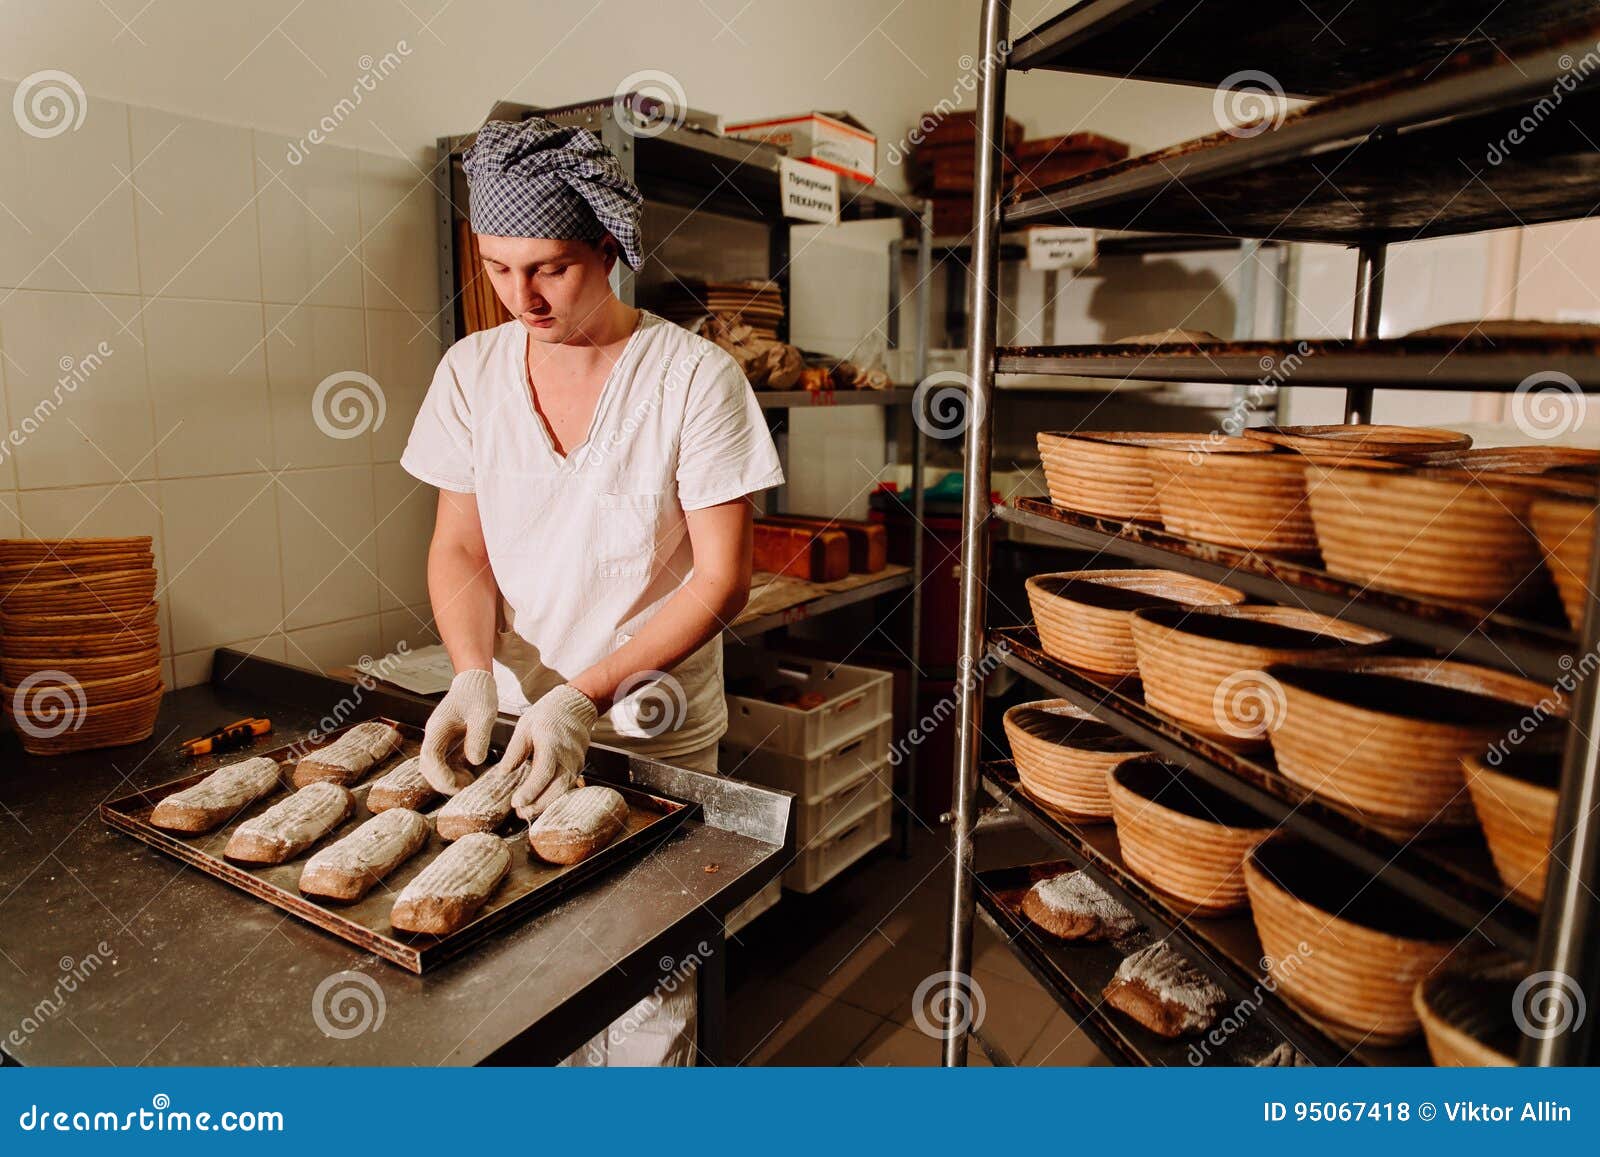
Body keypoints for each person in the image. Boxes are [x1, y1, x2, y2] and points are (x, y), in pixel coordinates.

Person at [399, 116, 785, 1065]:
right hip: (521, 725)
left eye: (550, 268)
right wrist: (471, 671)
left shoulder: (694, 377)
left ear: (609, 247)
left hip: (651, 723)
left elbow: (723, 577)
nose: (519, 296)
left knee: (645, 992)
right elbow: (459, 547)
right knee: (529, 972)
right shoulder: (471, 371)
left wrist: (588, 692)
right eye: (496, 268)